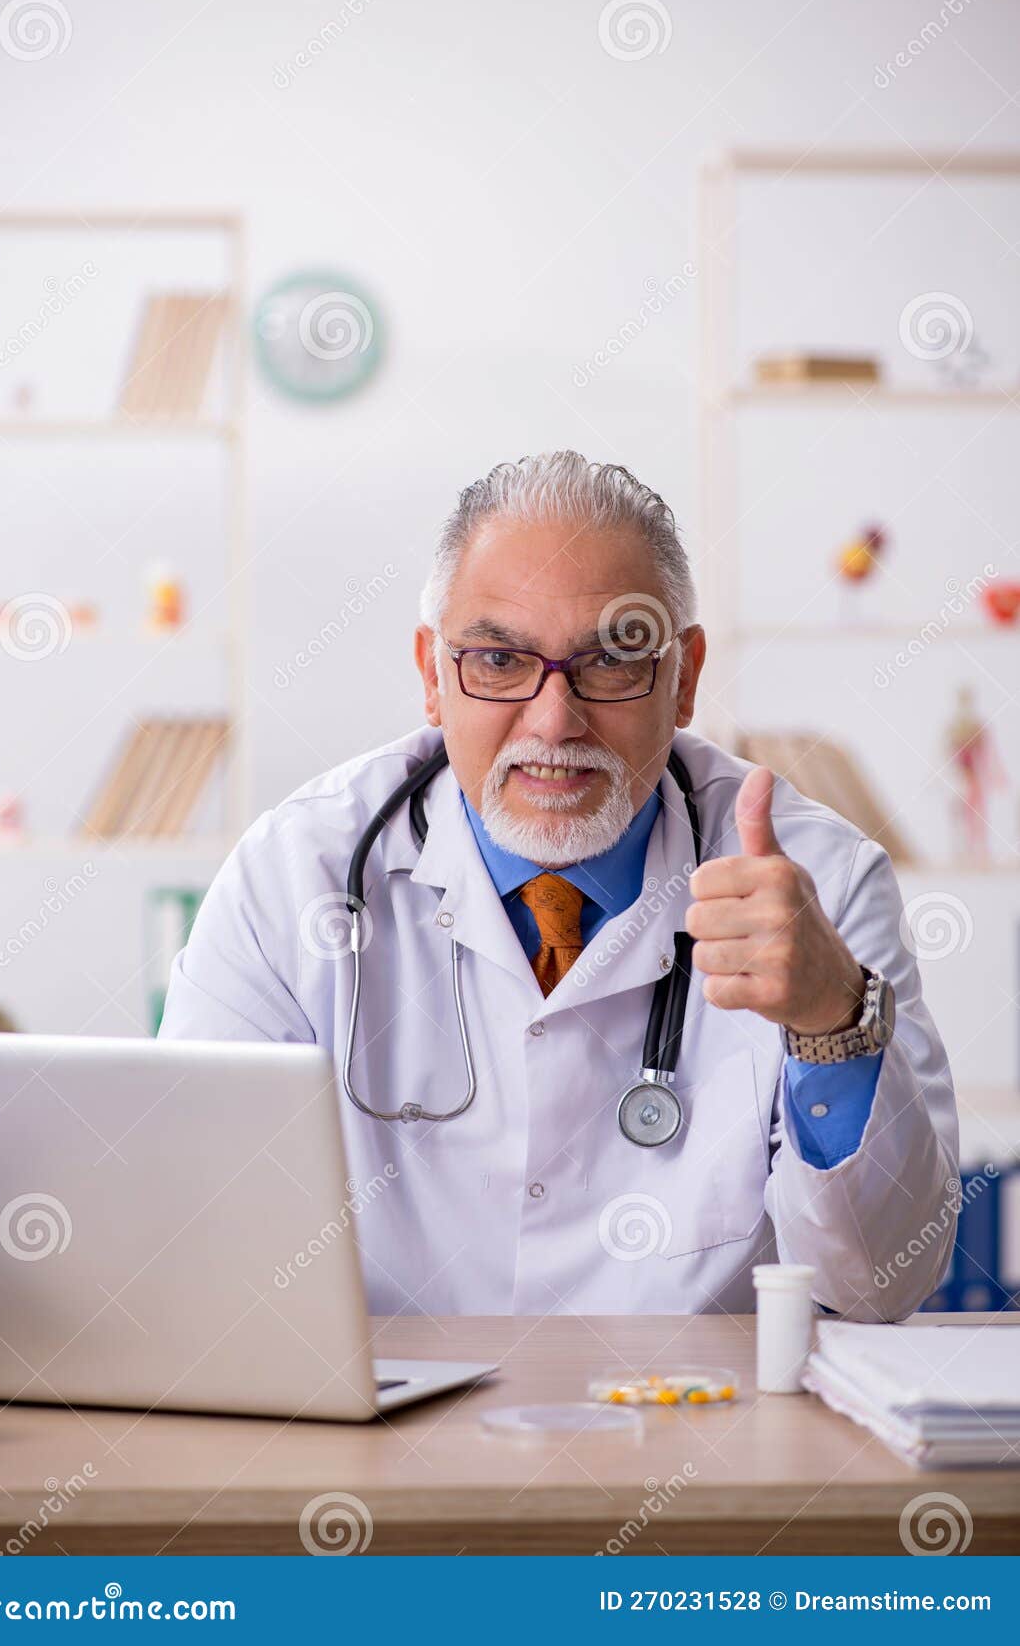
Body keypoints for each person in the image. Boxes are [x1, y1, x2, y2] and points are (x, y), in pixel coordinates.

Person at [160, 451, 958, 1320]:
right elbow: (193, 1240)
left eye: (612, 660)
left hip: (705, 1437)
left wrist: (830, 1019)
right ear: (433, 675)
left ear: (683, 679)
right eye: (499, 660)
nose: (553, 720)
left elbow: (882, 1286)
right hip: (379, 1437)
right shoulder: (292, 875)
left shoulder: (818, 885)